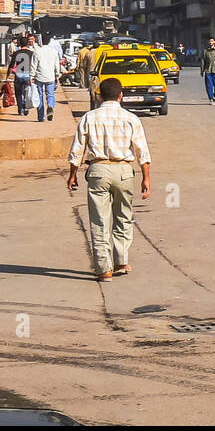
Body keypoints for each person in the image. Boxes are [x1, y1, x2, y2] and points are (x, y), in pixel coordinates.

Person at [66, 77, 152, 281]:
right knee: (123, 216)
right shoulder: (131, 118)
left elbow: (77, 149)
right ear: (121, 96)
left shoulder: (89, 117)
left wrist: (72, 175)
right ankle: (121, 260)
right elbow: (143, 152)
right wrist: (146, 179)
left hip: (98, 171)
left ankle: (104, 268)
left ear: (99, 96)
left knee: (99, 220)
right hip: (123, 171)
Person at [30, 34, 59, 120]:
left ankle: (41, 116)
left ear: (41, 41)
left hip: (39, 77)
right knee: (50, 95)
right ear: (49, 41)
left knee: (39, 96)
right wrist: (57, 75)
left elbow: (33, 65)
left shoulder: (37, 51)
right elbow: (57, 65)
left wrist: (32, 76)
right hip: (50, 76)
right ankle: (50, 105)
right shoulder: (54, 51)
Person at [9, 38, 34, 116]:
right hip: (27, 74)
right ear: (27, 43)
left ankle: (21, 110)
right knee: (27, 92)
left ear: (20, 43)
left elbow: (11, 65)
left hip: (19, 74)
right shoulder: (31, 53)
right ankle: (26, 106)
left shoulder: (16, 53)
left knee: (18, 92)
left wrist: (8, 75)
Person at [200, 36, 215, 103]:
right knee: (209, 86)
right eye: (209, 41)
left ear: (214, 42)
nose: (210, 42)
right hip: (208, 70)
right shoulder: (205, 51)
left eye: (212, 41)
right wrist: (202, 70)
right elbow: (203, 61)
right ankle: (211, 99)